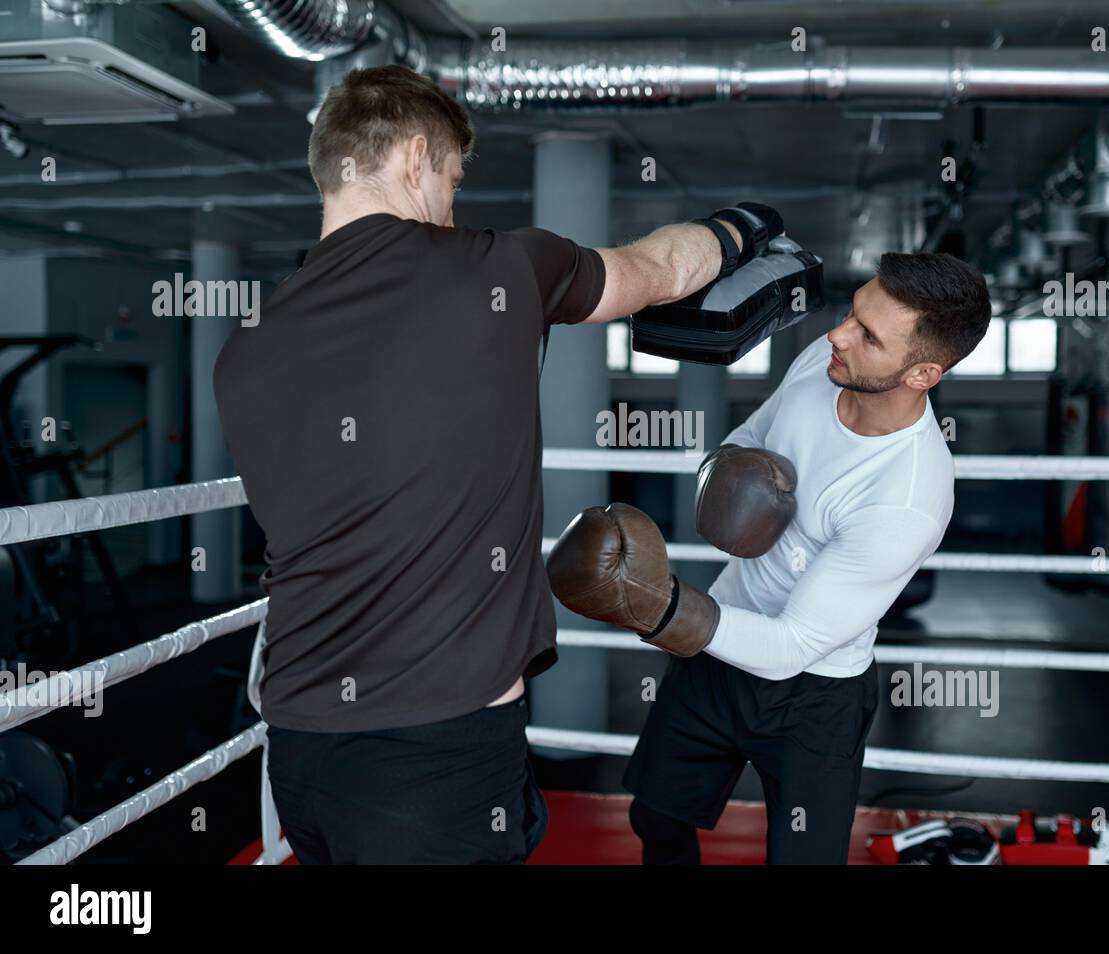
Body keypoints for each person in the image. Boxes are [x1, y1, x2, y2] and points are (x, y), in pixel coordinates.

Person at [213, 63, 763, 863]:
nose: (452, 204)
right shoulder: (500, 267)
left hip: (299, 742)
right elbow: (660, 273)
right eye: (453, 180)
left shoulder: (245, 347)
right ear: (415, 157)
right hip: (435, 757)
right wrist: (739, 230)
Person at [547, 252, 991, 863]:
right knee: (655, 815)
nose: (838, 335)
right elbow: (749, 437)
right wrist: (727, 473)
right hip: (717, 656)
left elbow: (792, 645)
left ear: (922, 374)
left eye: (868, 336)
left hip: (812, 696)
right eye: (852, 314)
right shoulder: (825, 366)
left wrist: (659, 606)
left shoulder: (905, 498)